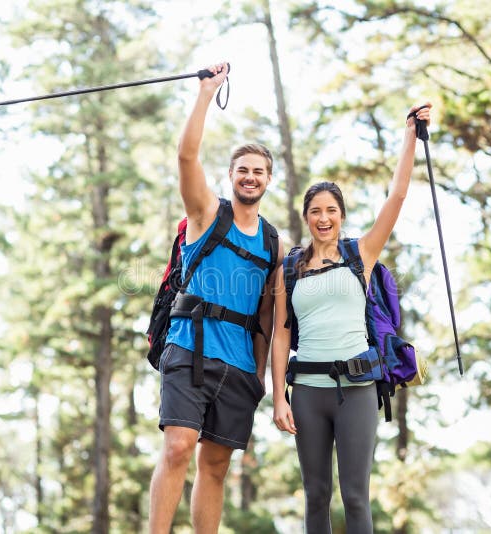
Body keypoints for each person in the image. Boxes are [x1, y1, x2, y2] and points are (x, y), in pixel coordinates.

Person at [270, 103, 432, 533]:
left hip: (358, 388)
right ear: (306, 218)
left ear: (341, 215)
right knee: (316, 496)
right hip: (306, 391)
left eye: (331, 210)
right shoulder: (288, 268)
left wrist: (411, 134)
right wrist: (279, 397)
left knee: (356, 496)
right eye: (315, 211)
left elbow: (397, 195)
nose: (324, 218)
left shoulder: (361, 254)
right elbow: (281, 338)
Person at [148, 62, 283, 534]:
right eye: (243, 170)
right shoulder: (206, 213)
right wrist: (207, 93)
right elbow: (186, 158)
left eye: (259, 172)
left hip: (241, 366)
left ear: (269, 180)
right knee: (179, 445)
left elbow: (269, 314)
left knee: (217, 466)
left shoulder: (272, 242)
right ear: (230, 176)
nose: (250, 177)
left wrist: (262, 375)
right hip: (189, 347)